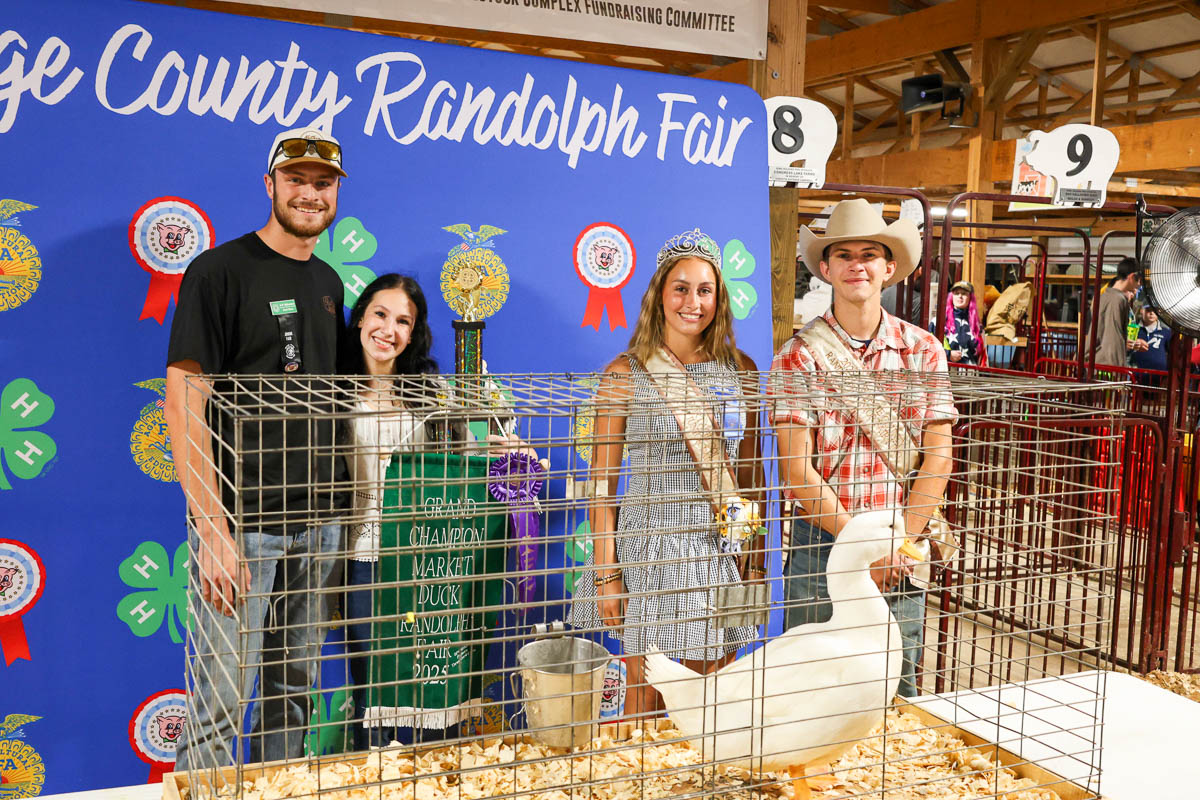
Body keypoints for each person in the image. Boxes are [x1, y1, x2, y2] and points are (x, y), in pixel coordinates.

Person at [164, 128, 350, 767]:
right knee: (219, 702)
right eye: (295, 179)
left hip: (318, 524)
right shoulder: (216, 271)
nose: (309, 194)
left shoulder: (329, 282)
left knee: (293, 694)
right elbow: (184, 399)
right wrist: (213, 529)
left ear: (337, 195)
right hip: (243, 525)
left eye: (323, 183)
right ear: (269, 185)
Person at [569, 228, 765, 718]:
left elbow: (753, 476)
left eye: (705, 290)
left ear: (719, 299)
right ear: (659, 295)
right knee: (644, 688)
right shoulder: (624, 372)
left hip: (719, 548)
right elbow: (601, 485)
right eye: (681, 288)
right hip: (648, 547)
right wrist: (606, 574)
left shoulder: (744, 370)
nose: (692, 302)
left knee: (715, 691)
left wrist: (755, 560)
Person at [771, 198, 956, 698]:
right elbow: (796, 469)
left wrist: (893, 546)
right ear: (826, 269)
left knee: (893, 690)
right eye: (845, 255)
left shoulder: (923, 349)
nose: (857, 264)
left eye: (869, 254)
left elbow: (939, 455)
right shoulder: (797, 355)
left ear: (888, 267)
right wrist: (863, 548)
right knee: (810, 692)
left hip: (901, 541)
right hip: (824, 542)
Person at [338, 273, 445, 749]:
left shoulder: (429, 395)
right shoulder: (330, 391)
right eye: (381, 314)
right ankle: (367, 775)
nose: (389, 329)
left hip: (417, 560)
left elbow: (457, 465)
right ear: (361, 316)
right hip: (359, 559)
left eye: (404, 321)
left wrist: (503, 451)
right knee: (369, 686)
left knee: (423, 683)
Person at [1095, 256, 1145, 368]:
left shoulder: (1103, 296)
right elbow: (1113, 337)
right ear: (1132, 277)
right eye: (1139, 281)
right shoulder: (1117, 299)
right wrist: (1118, 370)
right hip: (1106, 365)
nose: (1139, 286)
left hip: (1097, 362)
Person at [942, 280, 988, 367]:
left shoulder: (977, 326)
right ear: (951, 296)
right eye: (956, 293)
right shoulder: (939, 322)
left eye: (964, 293)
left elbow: (983, 357)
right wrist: (948, 354)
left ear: (970, 298)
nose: (960, 296)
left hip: (970, 377)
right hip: (946, 376)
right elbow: (930, 349)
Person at [1131, 304, 1171, 380]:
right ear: (1142, 311)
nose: (1152, 313)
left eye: (1154, 310)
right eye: (1148, 310)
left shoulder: (1166, 332)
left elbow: (1172, 354)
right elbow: (1128, 350)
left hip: (1160, 377)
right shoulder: (1134, 329)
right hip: (1137, 375)